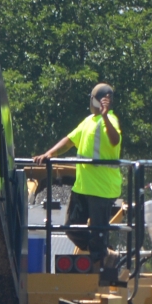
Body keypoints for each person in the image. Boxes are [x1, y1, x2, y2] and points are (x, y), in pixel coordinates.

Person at [35, 82, 123, 268]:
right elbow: (69, 140)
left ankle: (104, 260)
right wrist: (49, 153)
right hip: (82, 187)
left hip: (102, 190)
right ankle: (105, 253)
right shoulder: (88, 120)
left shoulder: (111, 120)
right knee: (71, 228)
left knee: (98, 234)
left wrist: (106, 117)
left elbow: (115, 140)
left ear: (98, 101)